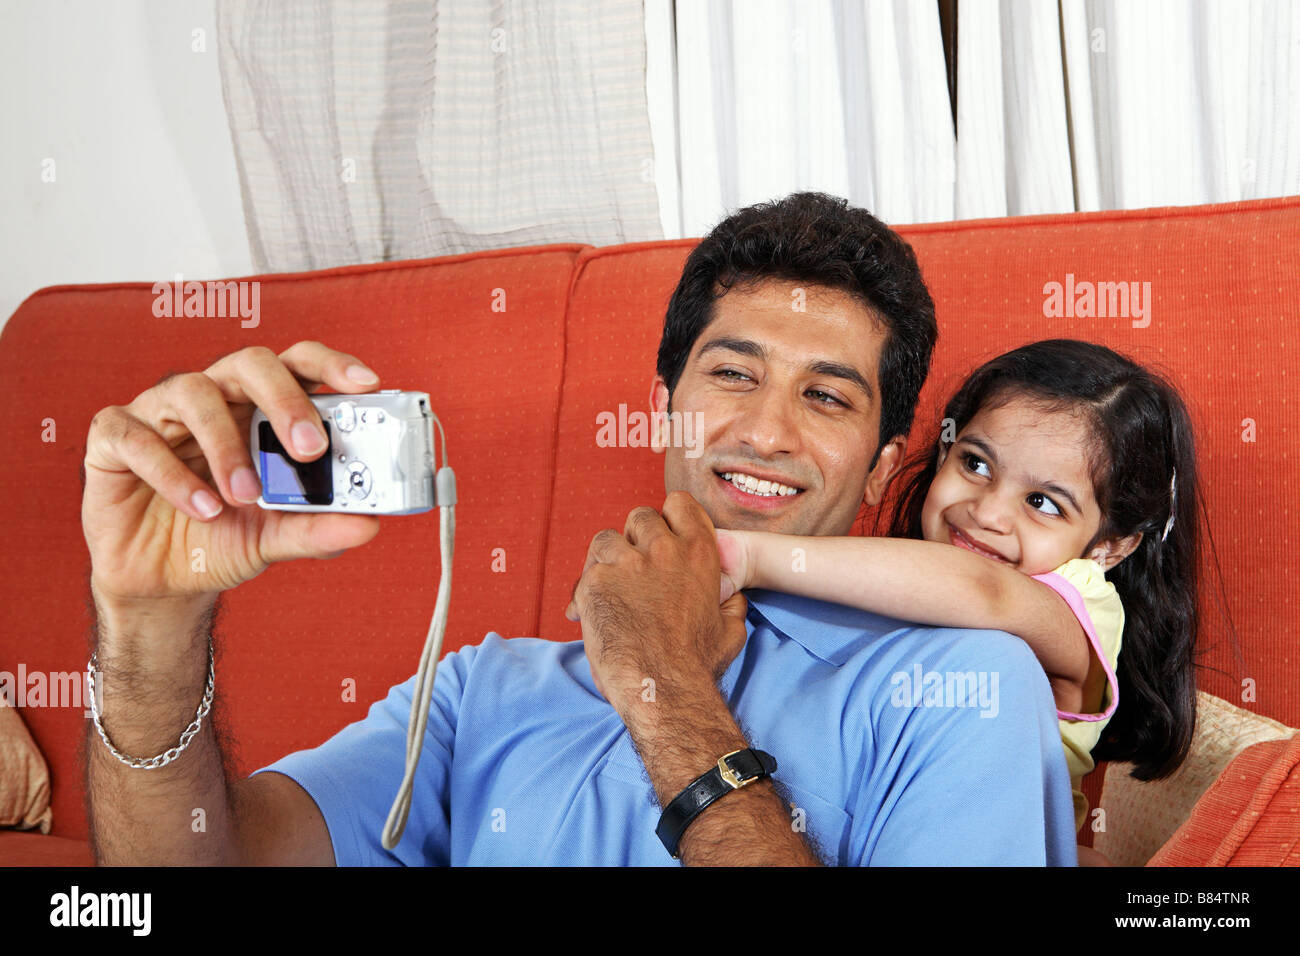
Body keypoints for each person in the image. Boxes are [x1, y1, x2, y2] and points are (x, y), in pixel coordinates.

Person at [82, 192, 1077, 866]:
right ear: (661, 407)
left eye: (825, 396)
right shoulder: (479, 690)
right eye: (732, 374)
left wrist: (663, 679)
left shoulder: (963, 689)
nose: (766, 430)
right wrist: (150, 624)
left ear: (882, 462)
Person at [714, 339, 1200, 840]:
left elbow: (985, 591)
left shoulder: (1079, 603)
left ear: (1111, 547)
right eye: (976, 464)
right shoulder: (894, 587)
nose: (987, 512)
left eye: (1043, 503)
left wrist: (744, 556)